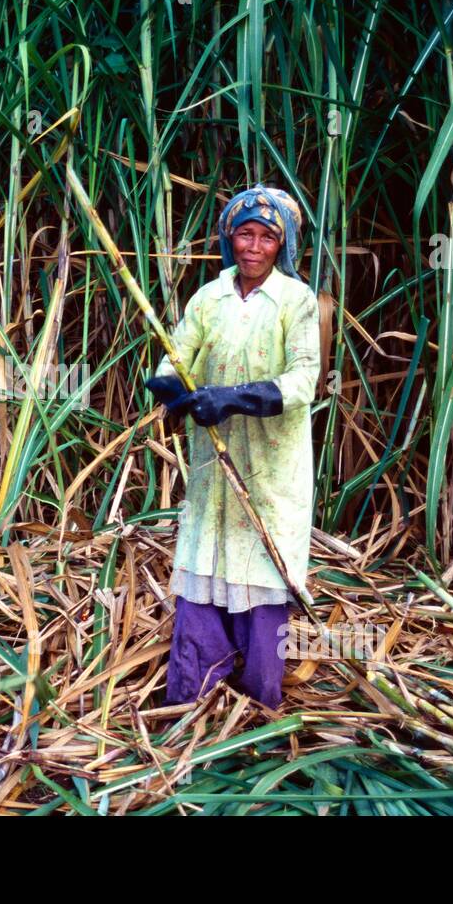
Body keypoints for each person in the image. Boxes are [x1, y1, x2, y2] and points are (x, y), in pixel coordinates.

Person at [146, 185, 320, 709]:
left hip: (271, 466)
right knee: (207, 556)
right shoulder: (210, 297)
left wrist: (232, 399)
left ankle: (259, 700)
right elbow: (173, 360)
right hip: (213, 465)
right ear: (229, 238)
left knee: (265, 565)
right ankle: (194, 693)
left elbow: (303, 382)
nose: (254, 247)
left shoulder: (296, 300)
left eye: (267, 237)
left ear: (283, 245)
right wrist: (179, 394)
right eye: (245, 234)